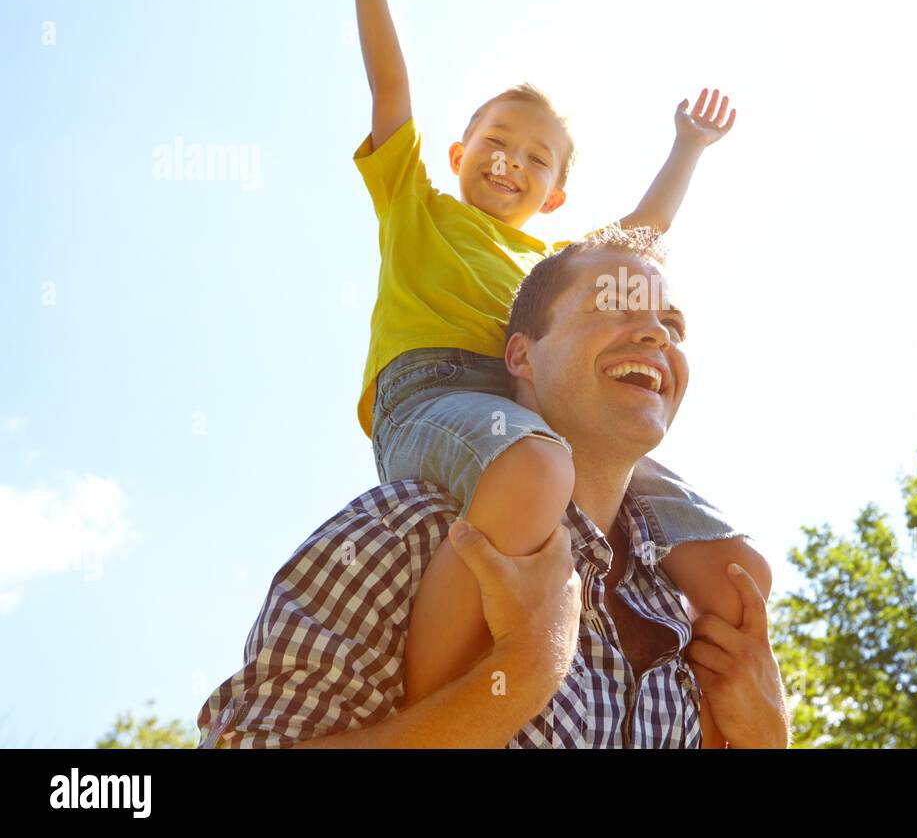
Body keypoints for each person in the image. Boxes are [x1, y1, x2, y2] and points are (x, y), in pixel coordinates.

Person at [318, 0, 768, 704]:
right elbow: (391, 90)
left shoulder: (551, 263)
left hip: (547, 406)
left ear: (554, 192)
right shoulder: (414, 203)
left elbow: (640, 238)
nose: (510, 162)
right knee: (532, 470)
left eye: (535, 158)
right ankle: (437, 706)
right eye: (495, 141)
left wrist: (689, 147)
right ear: (457, 155)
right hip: (434, 396)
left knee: (736, 570)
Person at [196, 228, 787, 747]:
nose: (657, 334)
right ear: (521, 355)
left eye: (673, 324)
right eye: (613, 306)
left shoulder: (689, 611)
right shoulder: (404, 533)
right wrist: (524, 672)